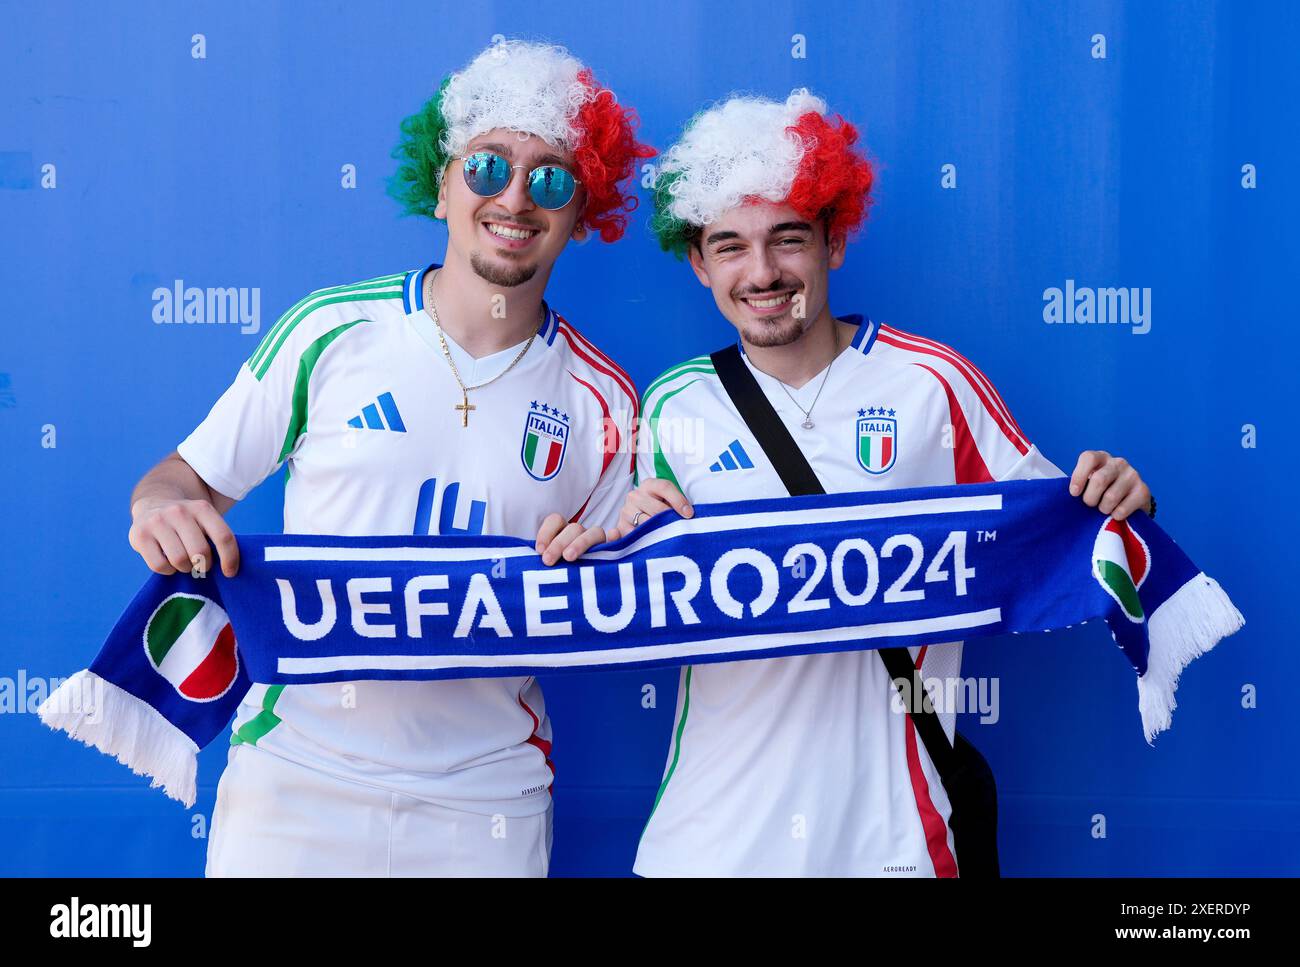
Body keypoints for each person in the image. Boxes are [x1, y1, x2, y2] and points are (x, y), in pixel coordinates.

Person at [126, 39, 649, 876]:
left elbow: (617, 583)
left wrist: (607, 549)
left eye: (550, 178)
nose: (515, 198)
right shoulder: (331, 331)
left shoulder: (608, 400)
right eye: (487, 168)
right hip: (296, 779)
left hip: (489, 798)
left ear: (582, 214)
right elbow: (181, 480)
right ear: (441, 184)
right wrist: (159, 510)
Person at [608, 90, 1153, 876]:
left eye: (787, 239)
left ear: (834, 240)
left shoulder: (933, 383)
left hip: (896, 839)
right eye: (729, 245)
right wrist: (625, 536)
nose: (761, 272)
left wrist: (1119, 495)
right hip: (710, 840)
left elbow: (1063, 531)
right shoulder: (669, 405)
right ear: (699, 263)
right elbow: (629, 591)